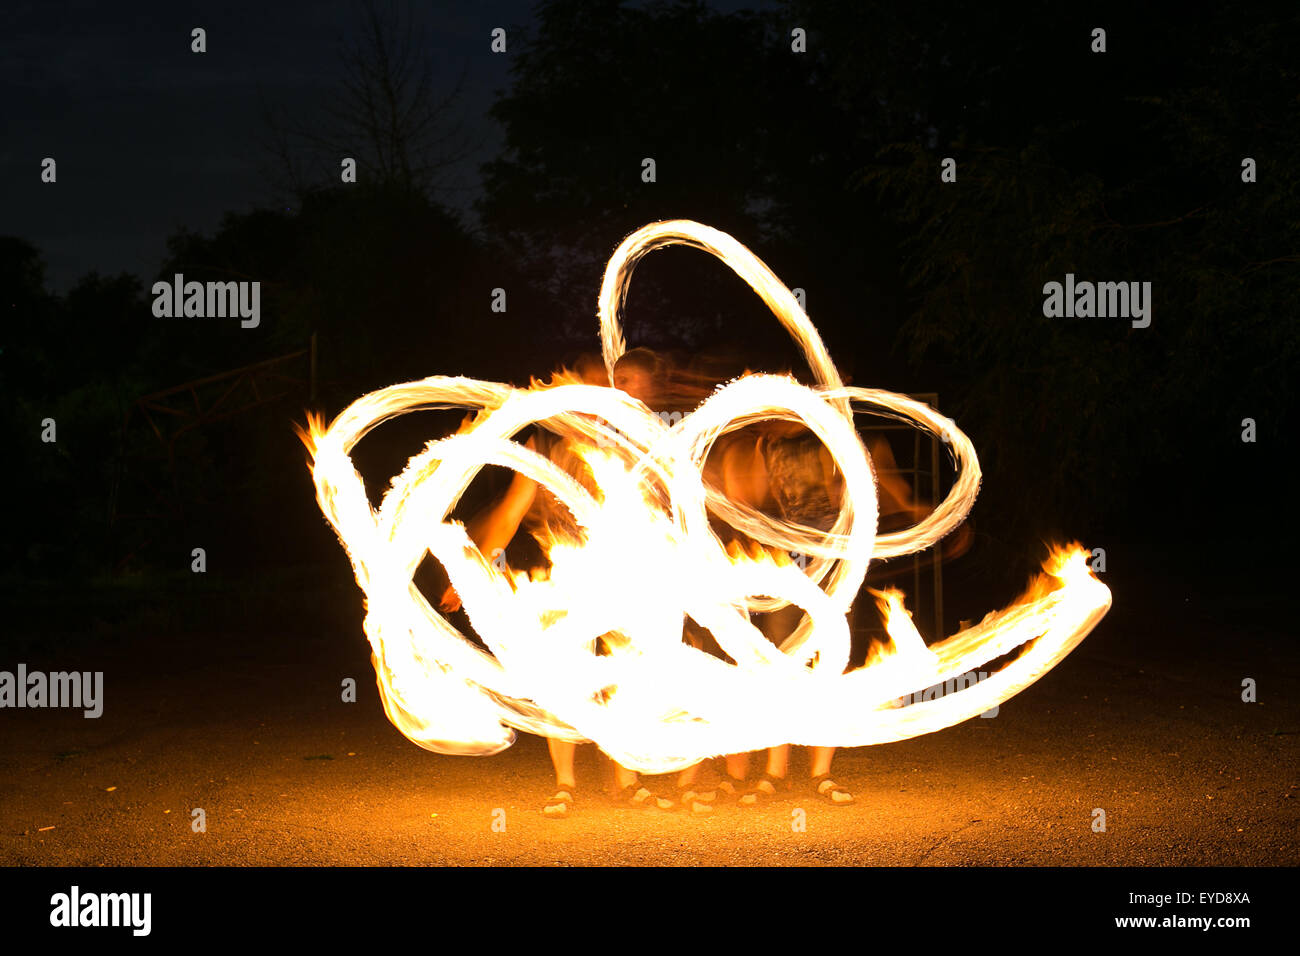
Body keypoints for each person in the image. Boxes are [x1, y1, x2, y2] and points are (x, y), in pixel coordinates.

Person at [437, 352, 681, 816]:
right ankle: (565, 783)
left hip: (627, 577)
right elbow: (510, 513)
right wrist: (473, 573)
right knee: (562, 681)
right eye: (587, 387)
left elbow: (664, 511)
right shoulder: (543, 443)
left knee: (624, 676)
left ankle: (625, 780)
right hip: (563, 580)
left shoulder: (630, 443)